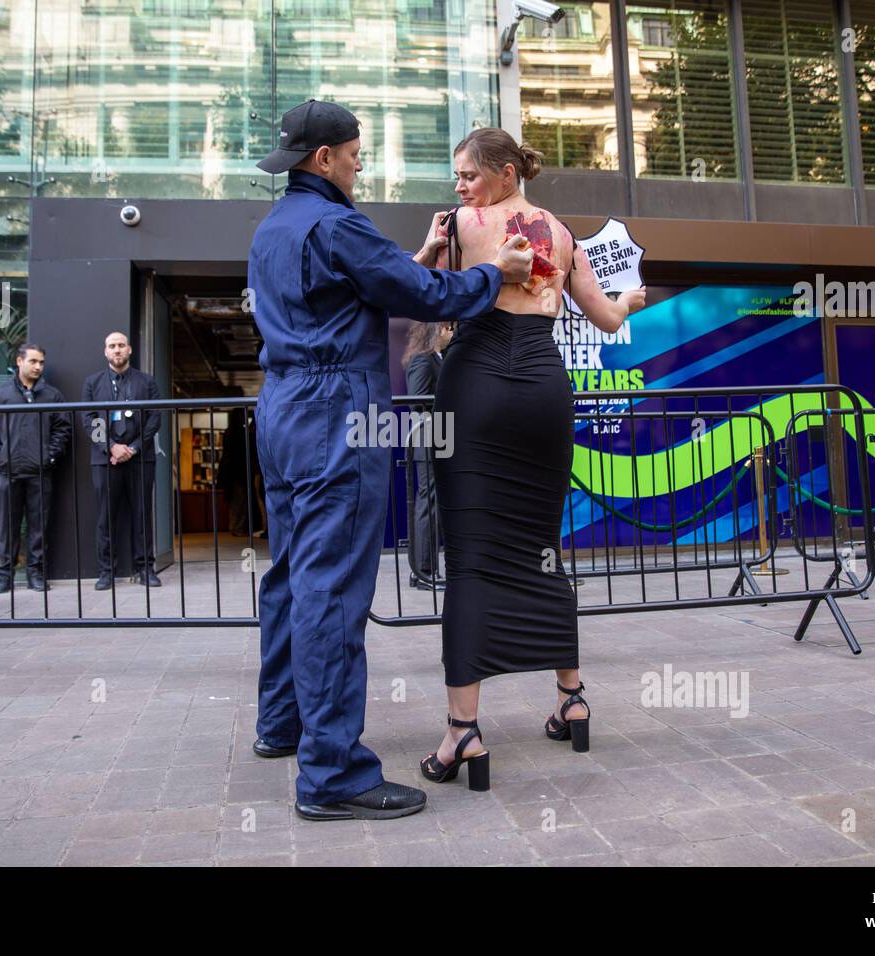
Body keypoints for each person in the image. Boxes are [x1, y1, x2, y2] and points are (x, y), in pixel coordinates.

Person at [247, 99, 535, 821]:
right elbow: (423, 296)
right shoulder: (337, 222)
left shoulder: (275, 228)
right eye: (353, 152)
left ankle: (281, 725)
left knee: (288, 576)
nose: (359, 162)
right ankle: (334, 775)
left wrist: (426, 257)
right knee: (334, 592)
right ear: (323, 159)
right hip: (332, 416)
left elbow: (364, 292)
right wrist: (493, 272)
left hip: (282, 410)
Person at [417, 128, 645, 791]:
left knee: (472, 554)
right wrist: (632, 297)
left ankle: (463, 731)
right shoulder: (566, 236)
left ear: (506, 171)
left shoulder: (463, 225)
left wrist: (432, 251)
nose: (459, 186)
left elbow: (425, 296)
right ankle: (572, 698)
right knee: (543, 545)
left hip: (478, 385)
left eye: (468, 173)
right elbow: (607, 319)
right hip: (546, 390)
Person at [0, 343, 72, 593]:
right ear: (19, 362)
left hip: (39, 471)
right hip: (7, 471)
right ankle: (5, 576)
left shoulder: (52, 395)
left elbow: (63, 429)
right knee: (7, 527)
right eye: (33, 361)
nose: (38, 366)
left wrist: (50, 456)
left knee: (38, 526)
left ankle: (36, 575)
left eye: (41, 362)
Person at [80, 331, 163, 590]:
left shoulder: (147, 382)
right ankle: (107, 571)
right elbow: (89, 419)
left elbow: (154, 419)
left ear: (129, 350)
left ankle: (145, 569)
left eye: (121, 345)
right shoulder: (92, 383)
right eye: (112, 346)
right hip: (105, 461)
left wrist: (134, 449)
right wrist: (112, 447)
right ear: (105, 351)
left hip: (141, 459)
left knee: (142, 515)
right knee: (106, 517)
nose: (117, 350)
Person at [402, 320, 455, 590]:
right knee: (428, 501)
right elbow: (417, 400)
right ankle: (423, 569)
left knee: (434, 501)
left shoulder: (437, 357)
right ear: (436, 331)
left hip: (441, 440)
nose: (450, 332)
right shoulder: (423, 360)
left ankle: (428, 567)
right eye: (447, 328)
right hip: (429, 439)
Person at [217, 408, 263, 536]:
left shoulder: (229, 433)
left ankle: (235, 526)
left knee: (236, 501)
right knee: (241, 501)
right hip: (240, 472)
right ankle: (237, 527)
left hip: (232, 473)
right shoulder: (242, 434)